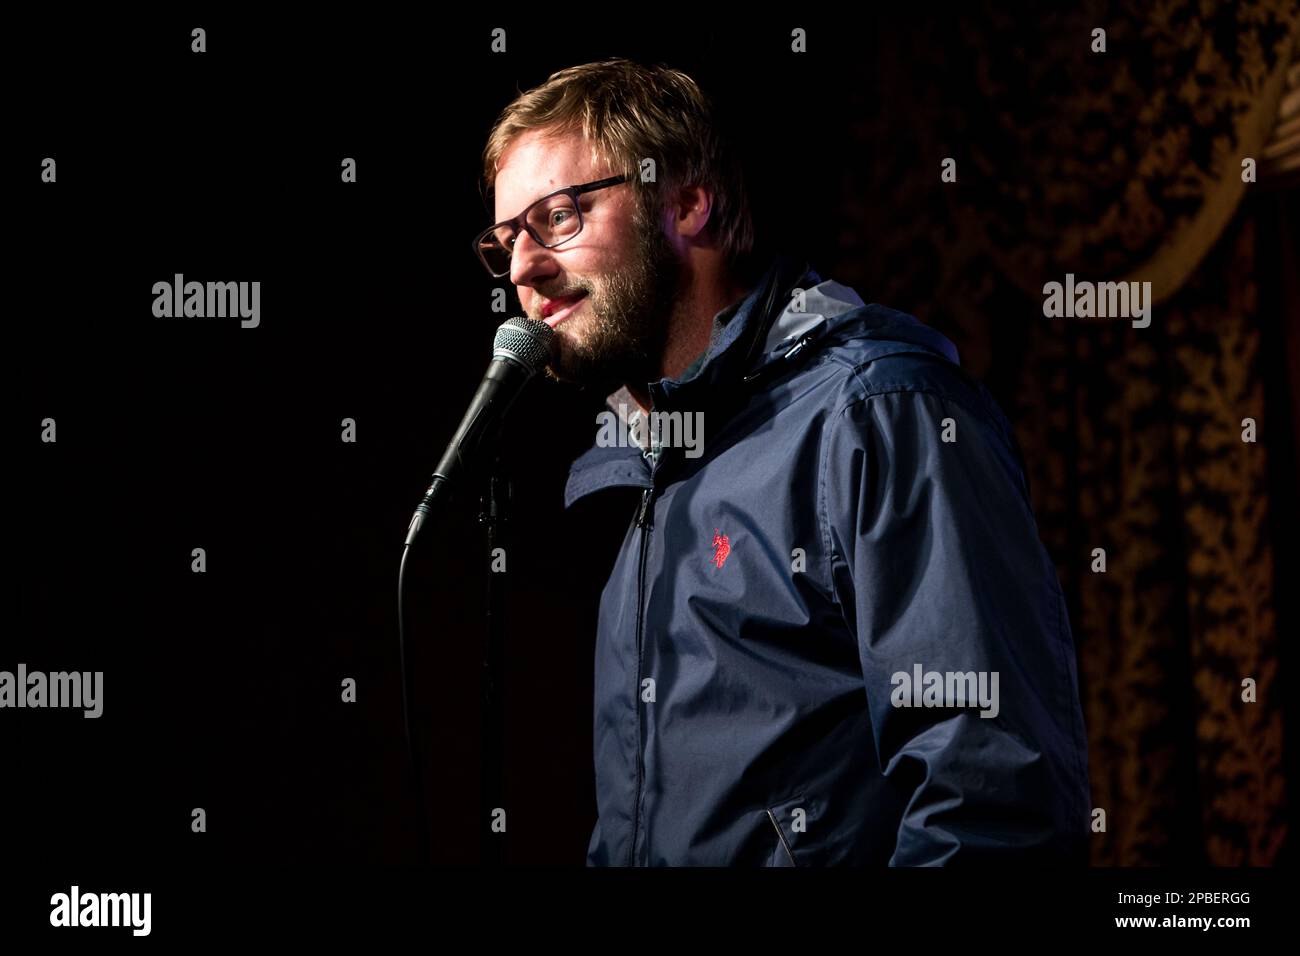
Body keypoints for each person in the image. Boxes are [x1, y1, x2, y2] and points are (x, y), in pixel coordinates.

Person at [475, 58, 1091, 866]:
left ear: (687, 200)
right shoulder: (647, 477)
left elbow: (990, 797)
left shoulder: (876, 410)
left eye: (557, 217)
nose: (522, 267)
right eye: (506, 239)